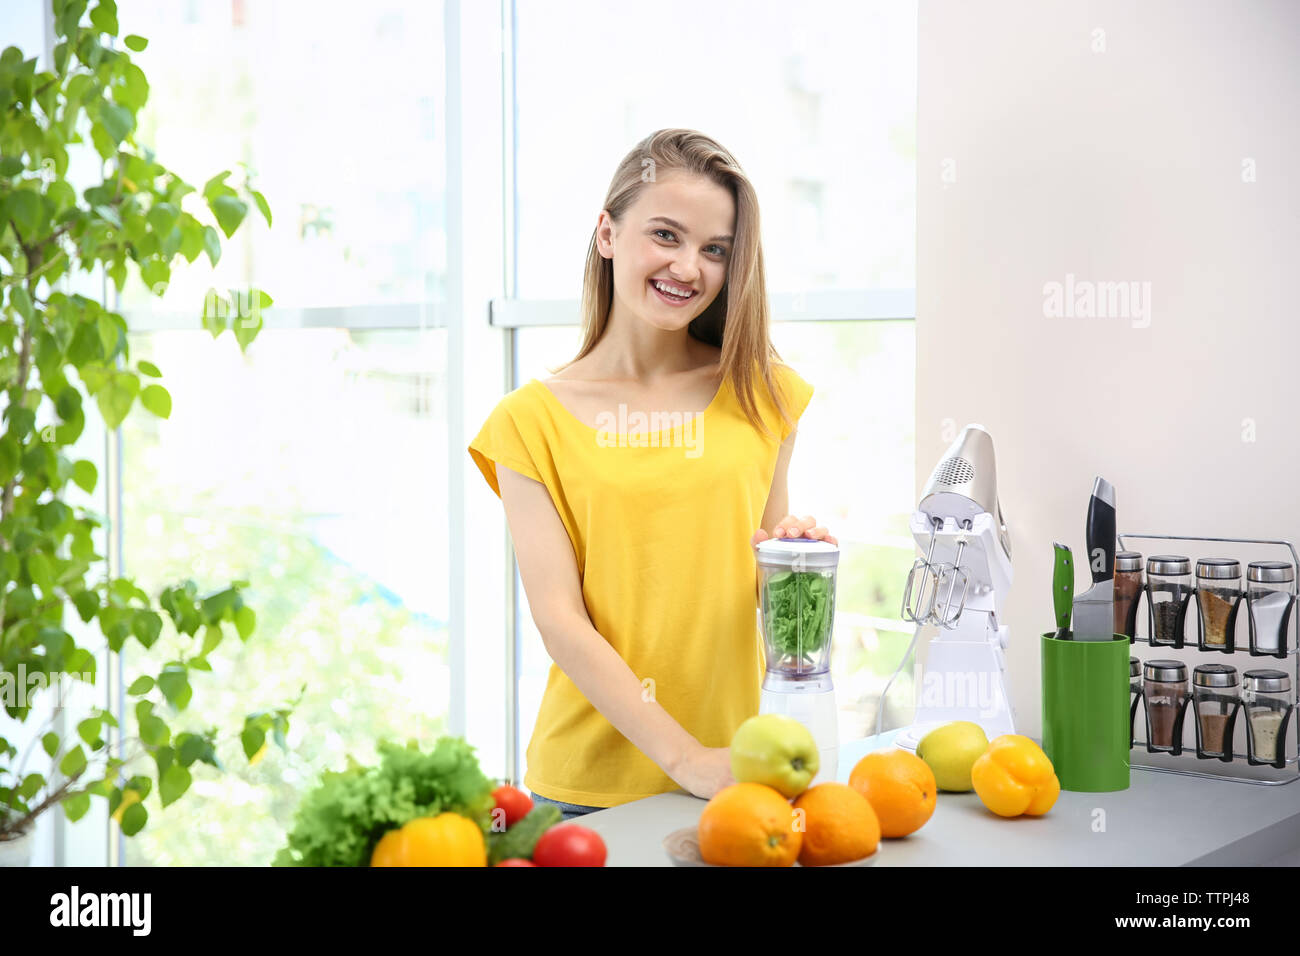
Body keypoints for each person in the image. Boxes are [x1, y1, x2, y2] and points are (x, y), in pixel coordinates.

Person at [468, 128, 837, 821]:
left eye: (715, 250)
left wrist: (792, 559)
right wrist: (684, 758)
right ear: (607, 233)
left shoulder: (764, 395)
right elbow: (560, 622)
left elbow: (752, 582)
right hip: (586, 792)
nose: (689, 267)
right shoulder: (529, 423)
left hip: (740, 771)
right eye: (666, 235)